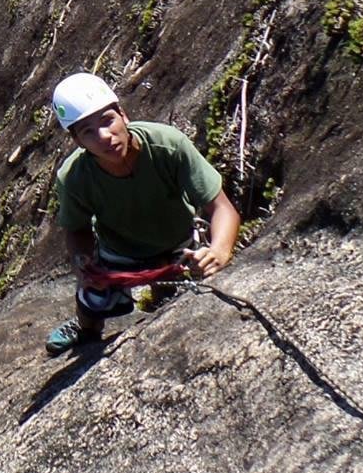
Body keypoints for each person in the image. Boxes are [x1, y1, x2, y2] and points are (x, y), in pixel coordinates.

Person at [44, 72, 240, 356]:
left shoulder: (167, 145)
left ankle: (162, 294)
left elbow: (222, 208)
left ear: (123, 115)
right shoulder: (74, 177)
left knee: (196, 291)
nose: (103, 136)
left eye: (107, 120)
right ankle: (85, 328)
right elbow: (77, 229)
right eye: (87, 132)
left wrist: (220, 250)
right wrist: (82, 264)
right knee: (93, 298)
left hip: (179, 244)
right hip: (121, 253)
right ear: (77, 141)